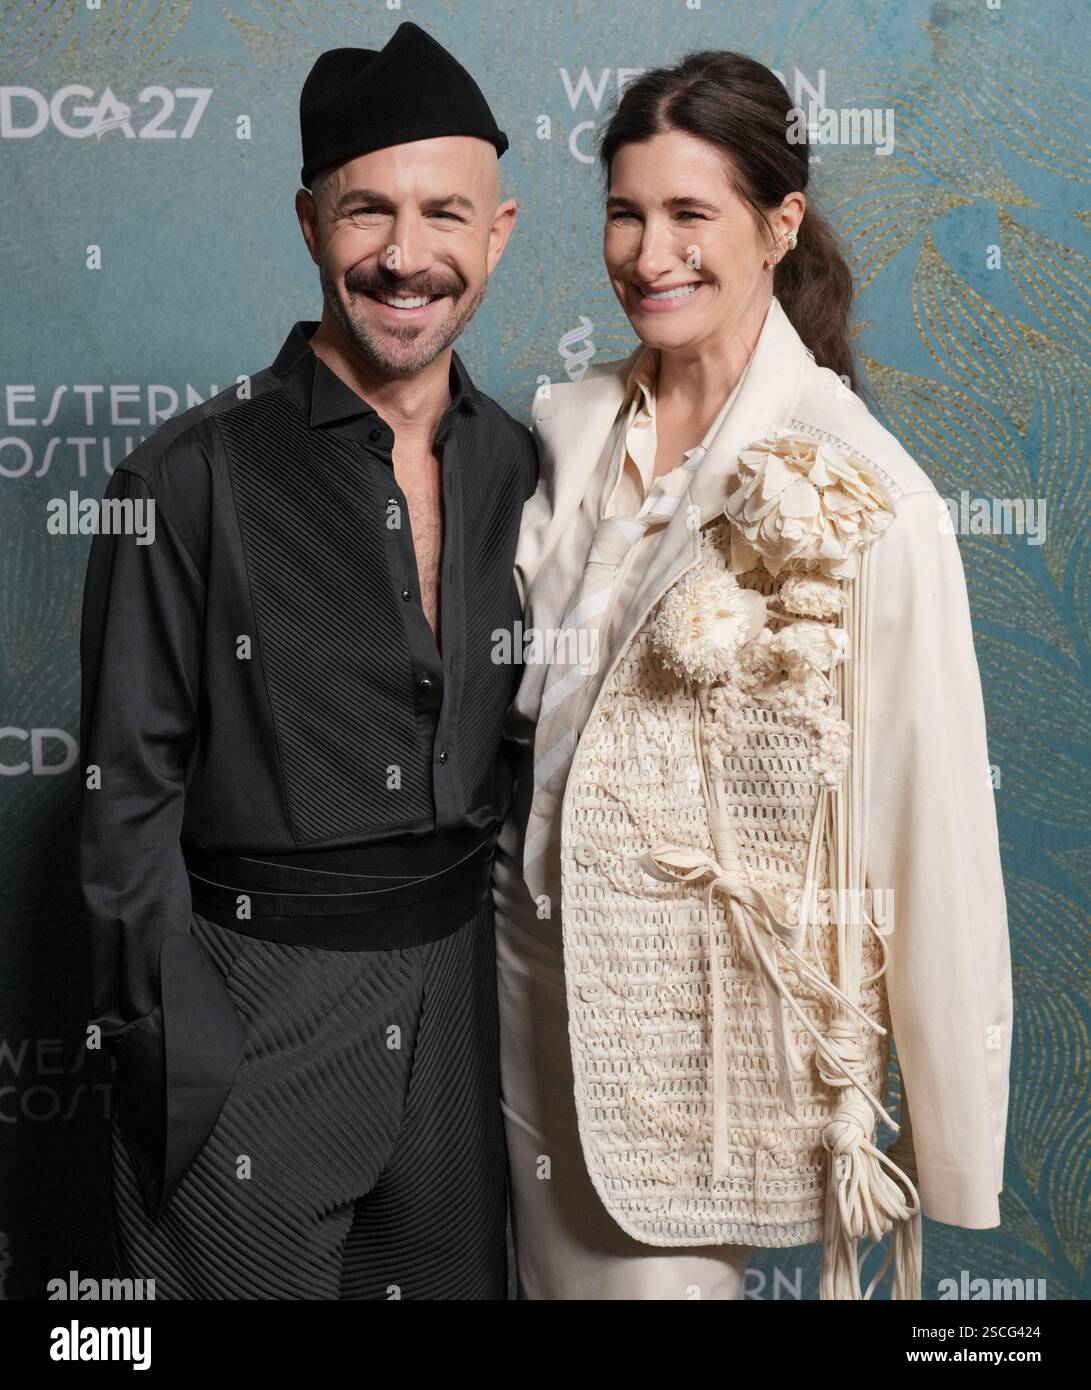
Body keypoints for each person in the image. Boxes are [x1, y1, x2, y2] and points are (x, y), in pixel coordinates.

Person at [493, 49, 1012, 1300]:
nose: (648, 252)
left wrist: (952, 1147)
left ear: (777, 225)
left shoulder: (860, 487)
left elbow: (927, 816)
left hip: (696, 1025)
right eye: (625, 212)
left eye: (689, 214)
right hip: (509, 978)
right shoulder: (563, 426)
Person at [79, 22, 534, 1300]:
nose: (406, 254)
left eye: (445, 212)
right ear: (307, 223)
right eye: (365, 212)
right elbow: (127, 806)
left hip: (461, 1012)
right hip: (253, 1002)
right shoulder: (183, 477)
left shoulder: (521, 463)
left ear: (496, 232)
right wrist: (182, 1052)